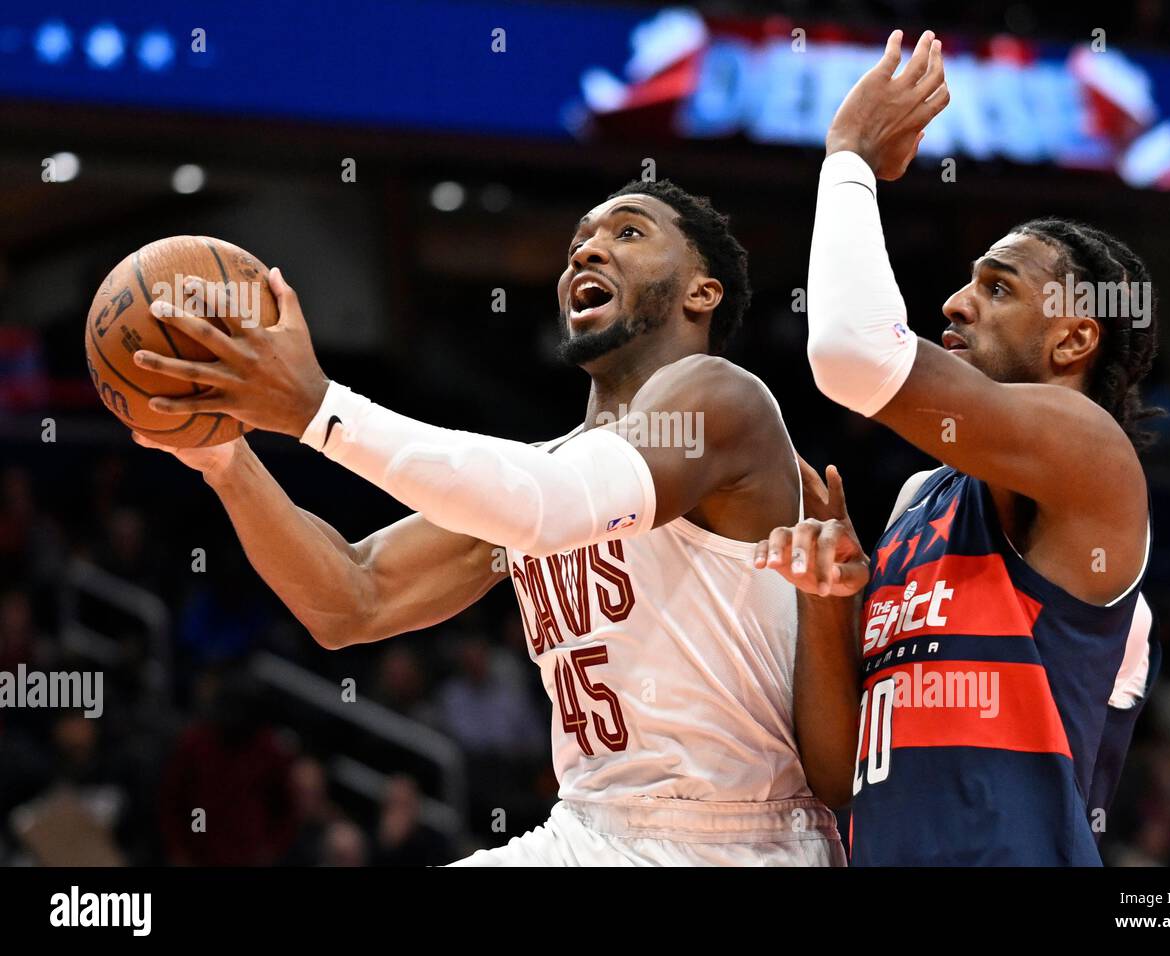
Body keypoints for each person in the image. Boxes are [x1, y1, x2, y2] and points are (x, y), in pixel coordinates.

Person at [130, 179, 844, 866]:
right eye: (579, 240)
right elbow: (351, 598)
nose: (588, 251)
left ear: (702, 290)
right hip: (591, 829)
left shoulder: (722, 403)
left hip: (734, 841)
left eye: (628, 232)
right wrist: (228, 464)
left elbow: (559, 504)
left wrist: (321, 411)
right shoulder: (536, 480)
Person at [755, 30, 1160, 865]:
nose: (954, 302)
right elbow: (838, 775)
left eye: (998, 286)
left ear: (1072, 338)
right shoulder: (917, 502)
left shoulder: (1093, 457)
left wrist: (849, 158)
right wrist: (828, 601)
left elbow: (852, 353)